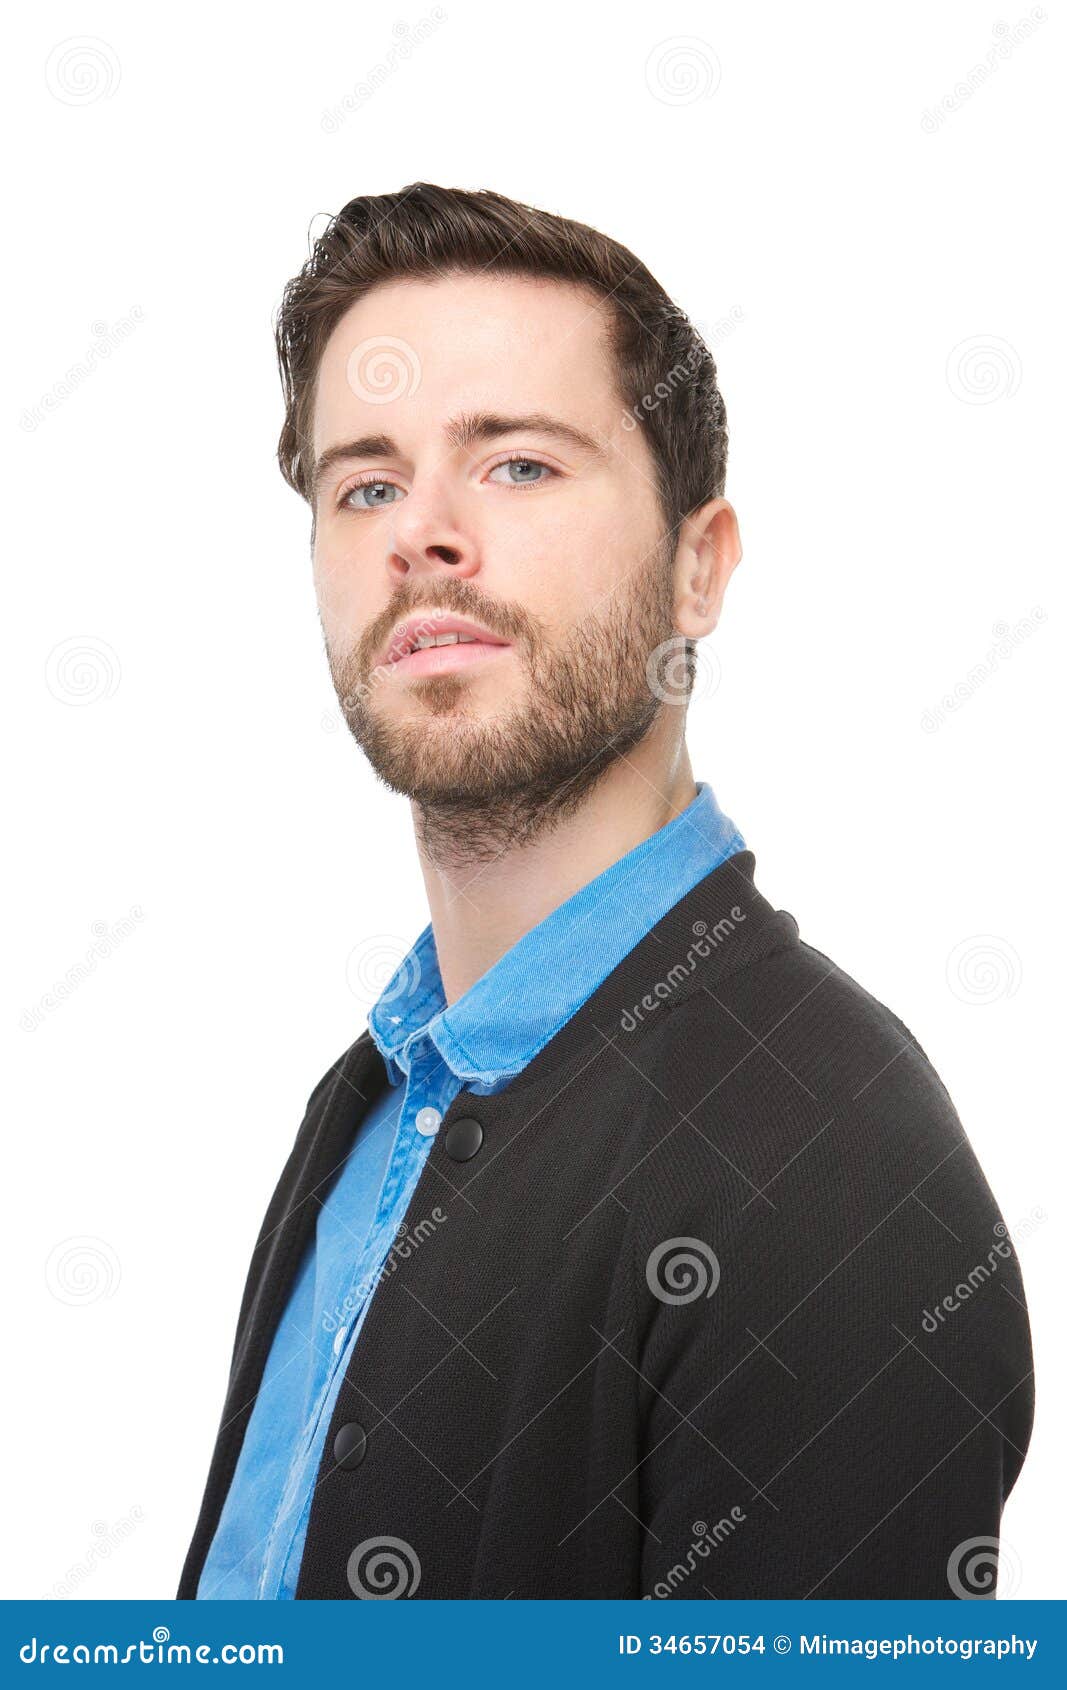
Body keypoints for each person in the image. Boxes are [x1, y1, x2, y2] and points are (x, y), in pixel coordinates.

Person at [179, 184, 1033, 1601]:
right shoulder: (373, 1104)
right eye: (367, 483)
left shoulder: (830, 1163)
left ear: (699, 565)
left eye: (515, 465)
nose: (423, 534)